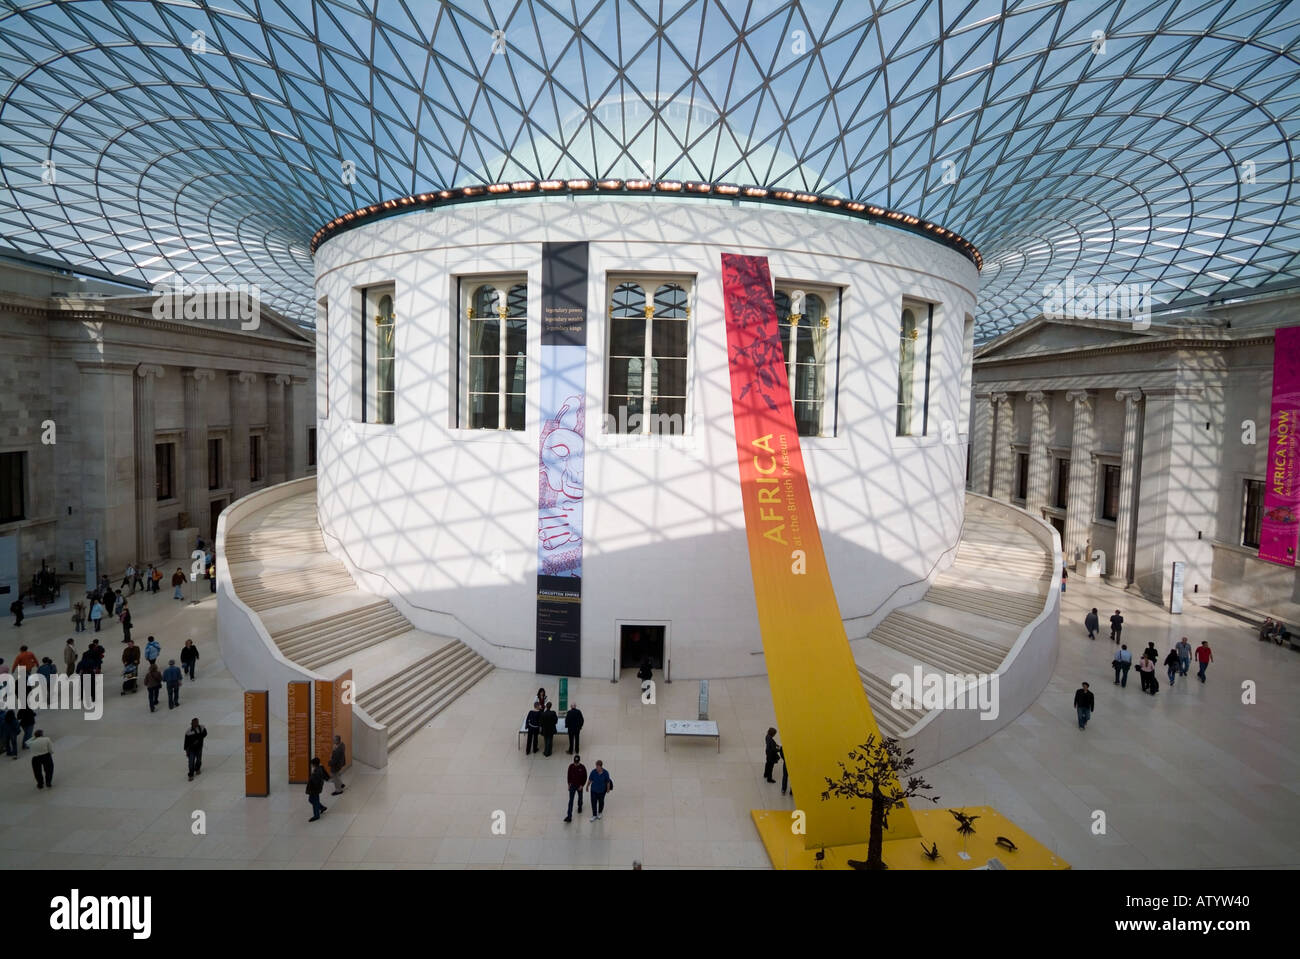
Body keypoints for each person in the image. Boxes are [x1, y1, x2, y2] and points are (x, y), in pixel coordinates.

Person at [305, 756, 331, 821]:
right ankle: (322, 808)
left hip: (314, 789)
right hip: (316, 789)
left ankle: (316, 815)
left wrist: (312, 778)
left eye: (312, 764)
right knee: (311, 800)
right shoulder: (319, 769)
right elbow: (326, 777)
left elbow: (315, 781)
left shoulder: (317, 772)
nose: (311, 765)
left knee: (314, 801)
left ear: (314, 764)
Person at [564, 754, 587, 822]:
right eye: (574, 762)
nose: (575, 764)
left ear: (579, 761)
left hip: (579, 786)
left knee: (580, 798)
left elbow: (585, 777)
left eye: (577, 762)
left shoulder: (582, 767)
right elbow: (568, 776)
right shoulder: (571, 766)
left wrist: (582, 785)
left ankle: (580, 806)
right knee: (570, 801)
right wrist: (569, 784)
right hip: (572, 786)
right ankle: (569, 816)